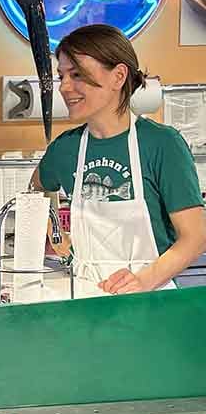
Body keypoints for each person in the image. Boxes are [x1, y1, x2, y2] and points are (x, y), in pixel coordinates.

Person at [32, 23, 206, 298]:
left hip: (151, 299)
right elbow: (35, 191)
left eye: (77, 74)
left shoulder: (162, 144)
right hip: (84, 295)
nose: (65, 87)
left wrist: (142, 281)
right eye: (61, 75)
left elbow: (195, 238)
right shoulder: (65, 148)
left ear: (119, 76)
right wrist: (55, 235)